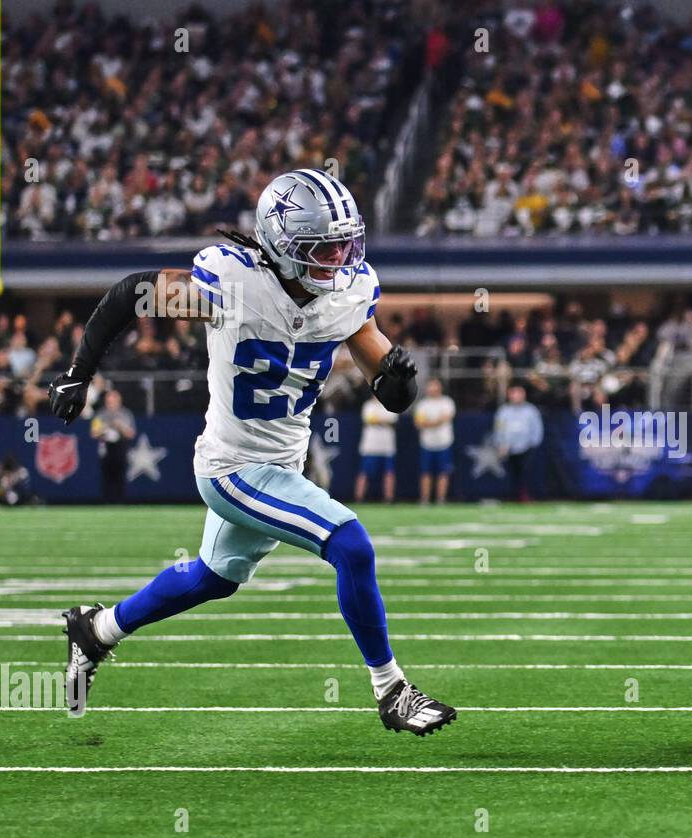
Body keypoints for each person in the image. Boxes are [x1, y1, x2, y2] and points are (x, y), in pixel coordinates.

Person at [47, 168, 456, 735]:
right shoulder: (233, 283)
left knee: (213, 577)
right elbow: (128, 295)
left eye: (344, 244)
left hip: (281, 463)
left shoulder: (345, 295)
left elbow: (391, 393)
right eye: (324, 247)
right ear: (284, 245)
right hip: (233, 468)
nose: (339, 259)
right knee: (351, 546)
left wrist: (401, 379)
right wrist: (78, 373)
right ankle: (391, 689)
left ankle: (96, 630)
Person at [493, 384, 543, 502]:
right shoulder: (504, 411)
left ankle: (526, 495)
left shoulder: (531, 410)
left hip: (527, 447)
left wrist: (533, 444)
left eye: (519, 393)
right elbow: (499, 428)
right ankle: (513, 495)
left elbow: (537, 429)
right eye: (513, 393)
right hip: (509, 448)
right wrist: (501, 443)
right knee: (512, 473)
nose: (516, 396)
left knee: (527, 472)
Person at [413, 377, 455, 504]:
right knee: (425, 472)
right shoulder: (422, 405)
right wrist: (436, 422)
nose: (432, 388)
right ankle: (425, 499)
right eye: (430, 385)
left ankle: (440, 499)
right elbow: (418, 423)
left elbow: (446, 418)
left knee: (443, 473)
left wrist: (428, 423)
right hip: (427, 443)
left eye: (435, 385)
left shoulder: (447, 402)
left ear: (440, 387)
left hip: (444, 443)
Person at [90, 389, 136, 502]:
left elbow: (131, 434)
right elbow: (93, 433)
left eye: (113, 401)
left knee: (120, 476)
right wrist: (106, 427)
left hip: (120, 447)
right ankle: (107, 500)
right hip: (106, 447)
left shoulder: (125, 414)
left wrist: (119, 426)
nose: (111, 403)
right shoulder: (101, 414)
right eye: (109, 401)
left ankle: (120, 500)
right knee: (107, 476)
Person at [354, 396, 398, 503]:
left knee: (389, 472)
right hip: (370, 446)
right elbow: (369, 419)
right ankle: (359, 498)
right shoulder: (368, 405)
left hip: (387, 446)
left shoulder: (392, 403)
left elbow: (393, 419)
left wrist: (378, 420)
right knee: (364, 472)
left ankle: (389, 498)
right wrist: (383, 420)